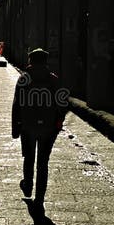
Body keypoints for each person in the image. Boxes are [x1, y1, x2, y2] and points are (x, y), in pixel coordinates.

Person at [11, 48, 69, 214]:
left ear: (30, 60)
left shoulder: (24, 79)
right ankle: (39, 199)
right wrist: (58, 121)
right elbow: (63, 103)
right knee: (43, 163)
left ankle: (28, 185)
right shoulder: (53, 79)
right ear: (45, 61)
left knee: (29, 158)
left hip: (27, 126)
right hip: (48, 128)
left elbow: (16, 104)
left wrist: (15, 127)